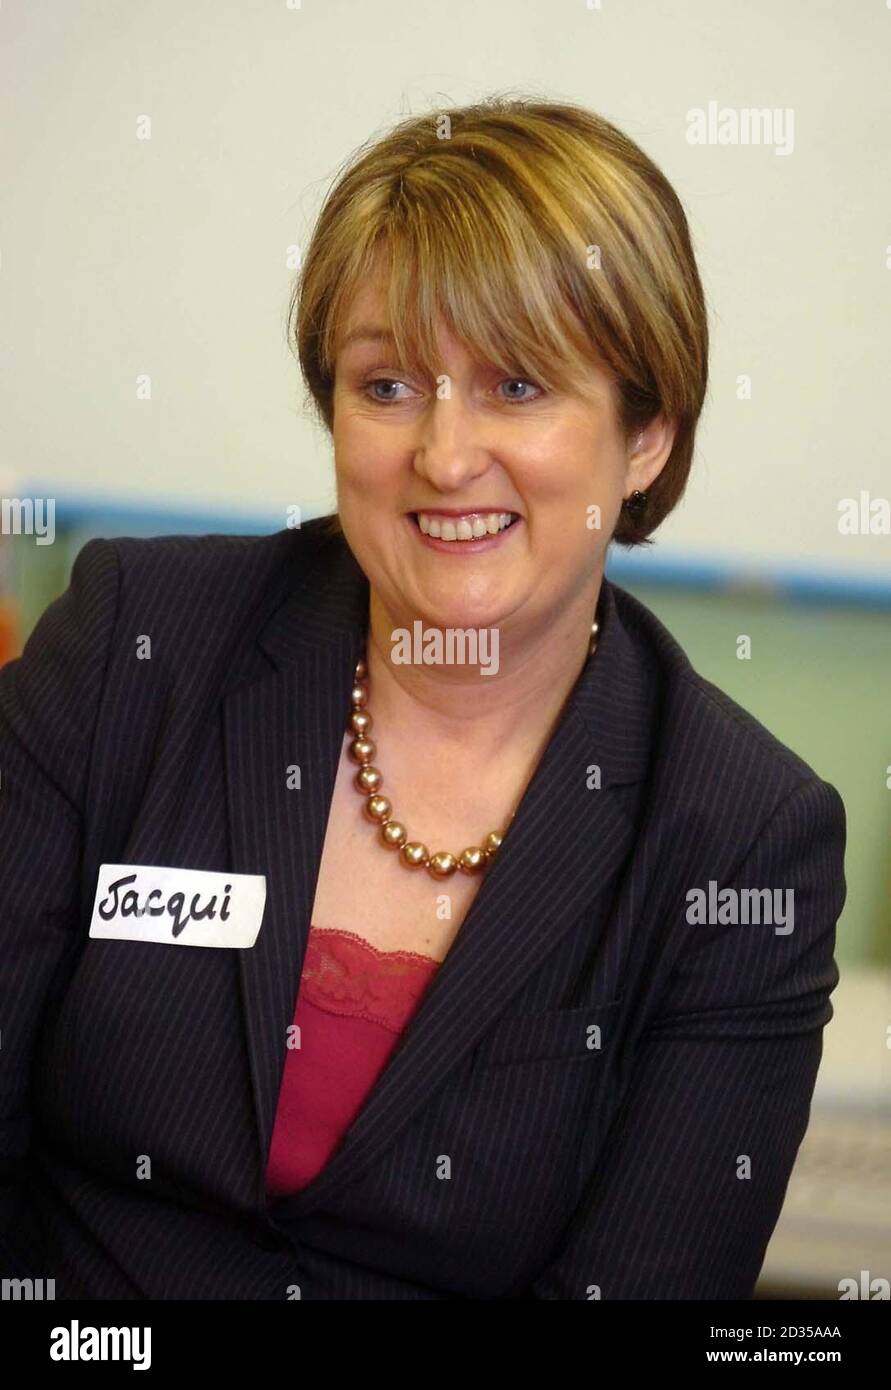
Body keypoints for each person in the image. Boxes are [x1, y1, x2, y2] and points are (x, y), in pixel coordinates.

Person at [0, 96, 845, 1299]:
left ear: (646, 431)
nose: (445, 456)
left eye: (516, 384)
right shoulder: (133, 642)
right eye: (388, 384)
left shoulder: (744, 835)